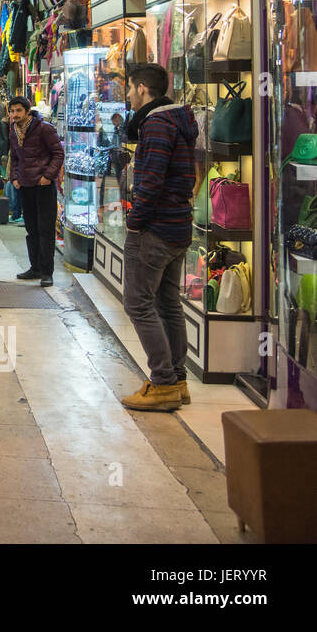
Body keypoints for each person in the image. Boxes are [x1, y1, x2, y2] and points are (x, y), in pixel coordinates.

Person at [119, 64, 197, 411]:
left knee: (137, 303)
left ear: (143, 89)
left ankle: (163, 381)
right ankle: (178, 380)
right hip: (177, 225)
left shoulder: (156, 124)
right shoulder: (179, 121)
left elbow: (150, 181)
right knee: (167, 302)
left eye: (130, 89)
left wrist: (134, 223)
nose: (128, 95)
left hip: (155, 229)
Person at [7, 95, 64, 287]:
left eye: (18, 111)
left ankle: (47, 272)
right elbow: (14, 157)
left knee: (45, 230)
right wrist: (14, 177)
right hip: (25, 186)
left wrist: (48, 176)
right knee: (31, 229)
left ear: (27, 111)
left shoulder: (44, 129)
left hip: (44, 186)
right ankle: (35, 268)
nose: (15, 114)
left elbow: (58, 153)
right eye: (12, 111)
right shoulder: (13, 132)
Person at [0, 114, 23, 223]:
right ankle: (11, 208)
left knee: (0, 178)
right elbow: (6, 140)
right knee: (7, 180)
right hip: (5, 156)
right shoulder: (6, 126)